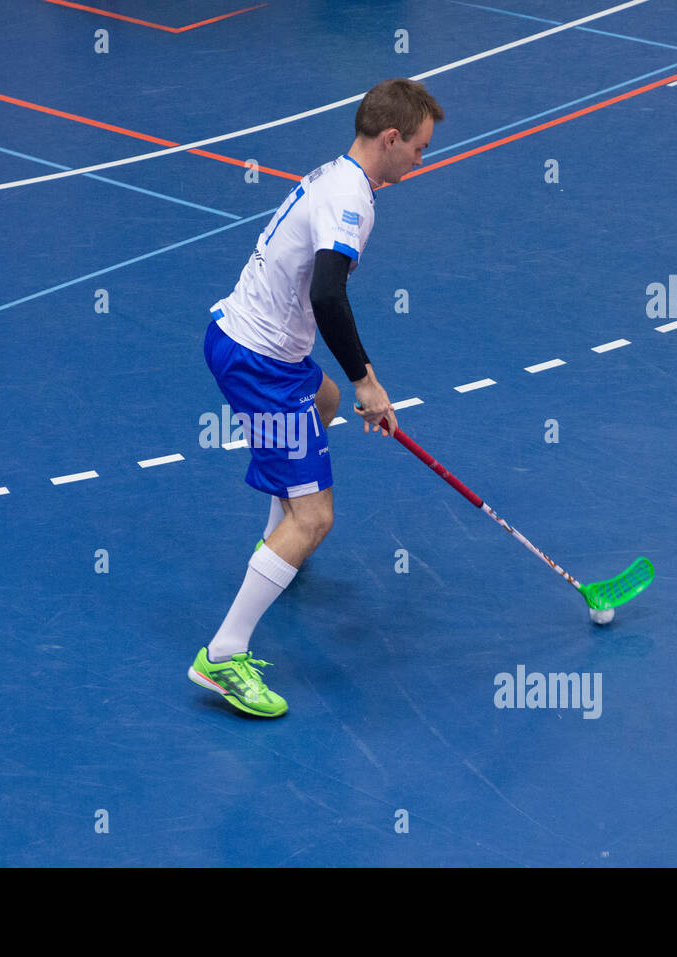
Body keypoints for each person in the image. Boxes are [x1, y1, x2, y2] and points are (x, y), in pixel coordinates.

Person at [189, 78, 444, 717]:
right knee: (317, 520)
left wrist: (346, 387)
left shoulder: (339, 175)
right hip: (261, 364)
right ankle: (222, 656)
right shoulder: (350, 200)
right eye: (418, 147)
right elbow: (330, 295)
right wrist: (369, 382)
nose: (422, 159)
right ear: (391, 137)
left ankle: (272, 546)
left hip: (253, 344)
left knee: (323, 403)